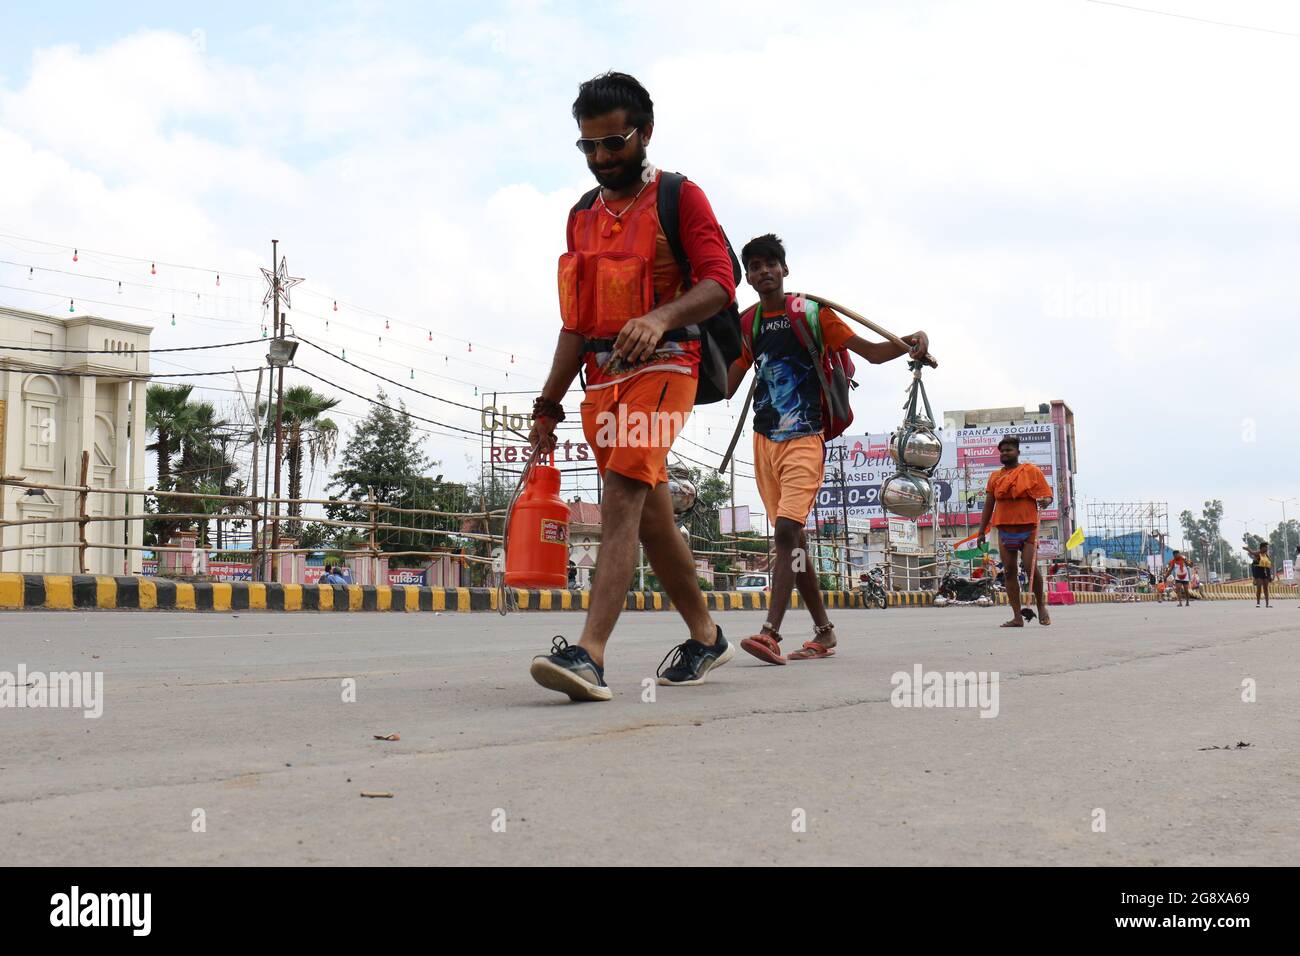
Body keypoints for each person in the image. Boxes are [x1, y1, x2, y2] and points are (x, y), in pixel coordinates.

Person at [528, 72, 737, 701]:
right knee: (652, 520)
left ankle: (589, 656)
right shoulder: (582, 217)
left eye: (613, 143)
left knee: (621, 493)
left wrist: (660, 317)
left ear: (644, 134)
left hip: (669, 367)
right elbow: (576, 321)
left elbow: (720, 282)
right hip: (602, 379)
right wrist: (547, 404)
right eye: (588, 146)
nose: (600, 158)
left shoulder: (680, 197)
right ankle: (706, 636)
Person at [725, 234, 930, 663]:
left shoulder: (812, 314)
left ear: (785, 269)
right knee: (794, 539)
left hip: (805, 437)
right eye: (755, 266)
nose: (763, 271)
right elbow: (729, 382)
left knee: (784, 531)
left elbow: (871, 354)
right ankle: (824, 632)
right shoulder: (749, 325)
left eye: (770, 264)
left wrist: (909, 339)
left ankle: (770, 632)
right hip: (764, 441)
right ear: (748, 277)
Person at [977, 436, 1053, 627]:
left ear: (1018, 452)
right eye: (1002, 451)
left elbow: (1047, 496)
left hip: (1028, 528)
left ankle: (1041, 607)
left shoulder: (1031, 471)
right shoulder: (994, 477)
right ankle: (1017, 616)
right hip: (1004, 529)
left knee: (1030, 568)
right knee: (1009, 572)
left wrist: (1046, 501)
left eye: (1009, 450)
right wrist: (981, 531)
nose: (1005, 453)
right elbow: (988, 505)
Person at [1245, 540, 1273, 607]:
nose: (1266, 549)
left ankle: (1267, 604)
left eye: (1267, 547)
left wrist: (1270, 576)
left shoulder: (1267, 555)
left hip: (1265, 572)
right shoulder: (1258, 554)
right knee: (1259, 587)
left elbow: (1269, 565)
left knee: (1266, 588)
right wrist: (1248, 549)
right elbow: (1252, 552)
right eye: (1265, 547)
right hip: (1258, 572)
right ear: (1262, 548)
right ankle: (1258, 603)